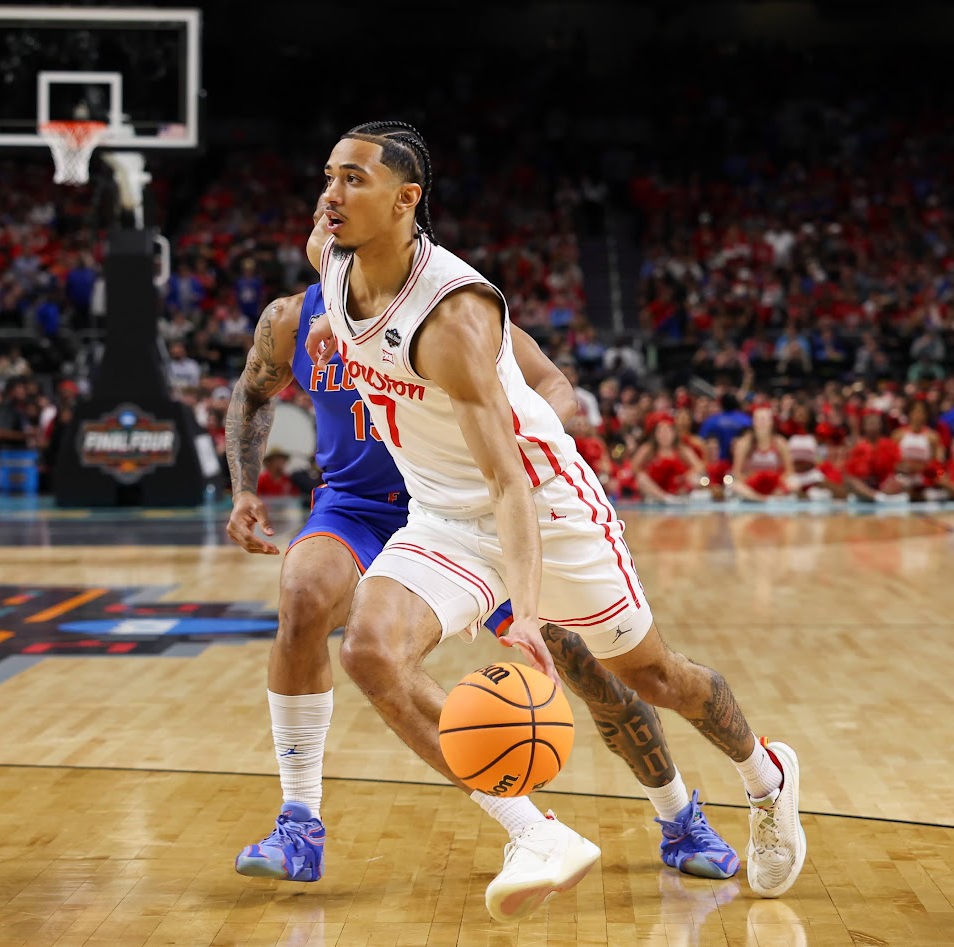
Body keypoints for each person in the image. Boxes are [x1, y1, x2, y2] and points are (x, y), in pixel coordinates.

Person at [301, 121, 802, 911]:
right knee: (369, 650)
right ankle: (536, 832)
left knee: (654, 677)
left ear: (406, 200)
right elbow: (350, 311)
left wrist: (526, 613)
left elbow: (507, 482)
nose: (331, 194)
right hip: (440, 515)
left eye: (353, 179)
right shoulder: (328, 254)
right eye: (329, 175)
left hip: (544, 506)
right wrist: (336, 329)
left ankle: (765, 777)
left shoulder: (451, 318)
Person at [226, 206, 737, 912]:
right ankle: (299, 822)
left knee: (593, 672)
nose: (331, 213)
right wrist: (243, 488)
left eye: (347, 195)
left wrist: (520, 456)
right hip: (361, 506)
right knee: (304, 596)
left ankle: (678, 814)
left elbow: (550, 382)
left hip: (471, 510)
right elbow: (251, 392)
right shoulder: (293, 318)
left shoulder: (446, 307)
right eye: (322, 203)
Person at [729, 405, 793, 502]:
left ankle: (771, 497)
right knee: (733, 484)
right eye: (759, 419)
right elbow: (737, 472)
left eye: (765, 419)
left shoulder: (780, 443)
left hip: (774, 485)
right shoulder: (743, 443)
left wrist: (778, 484)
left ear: (771, 422)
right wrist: (750, 480)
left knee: (795, 482)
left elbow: (789, 471)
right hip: (752, 484)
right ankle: (761, 498)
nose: (762, 422)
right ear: (753, 422)